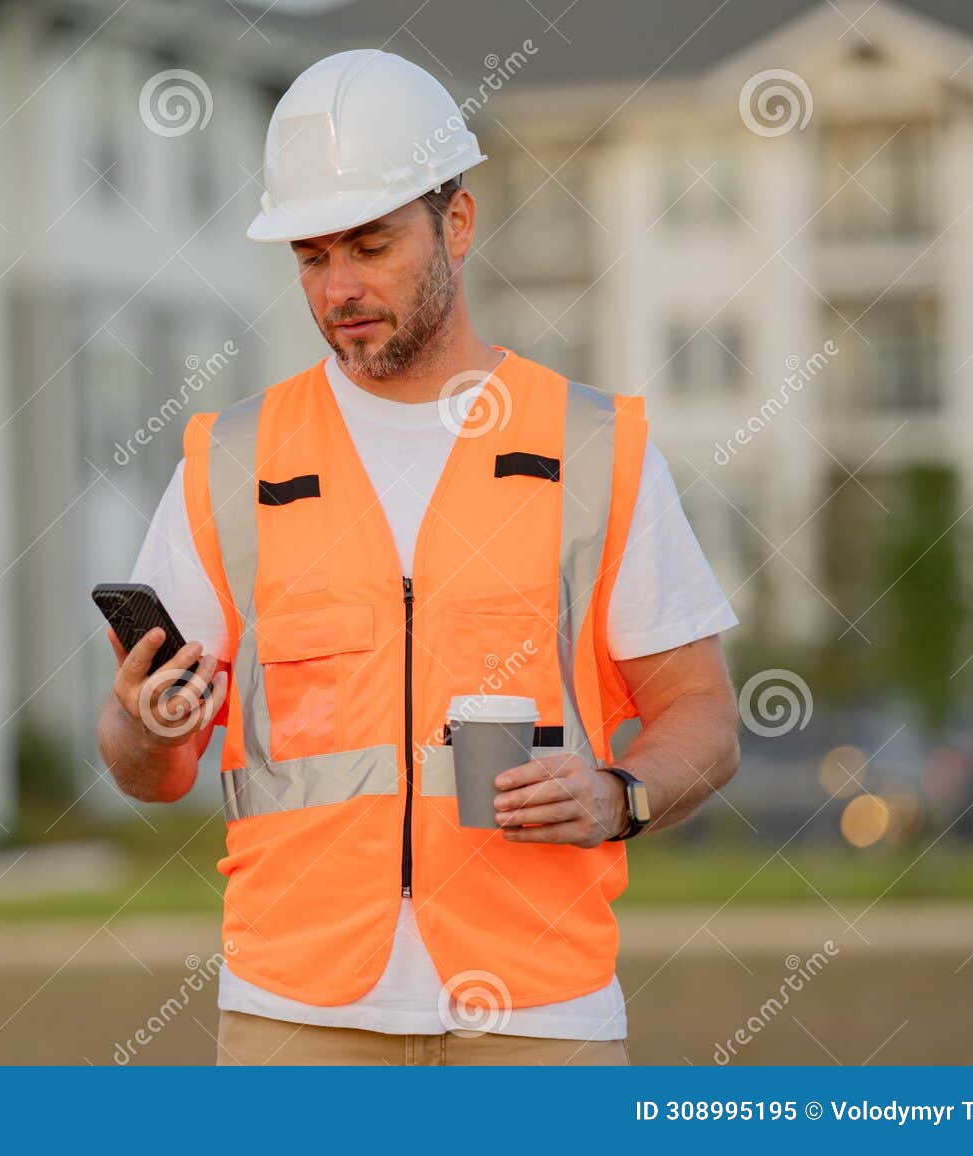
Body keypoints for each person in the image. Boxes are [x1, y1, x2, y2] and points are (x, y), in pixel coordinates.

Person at [98, 49, 741, 1066]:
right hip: (293, 1018)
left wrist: (621, 794)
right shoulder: (229, 464)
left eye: (370, 244)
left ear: (457, 223)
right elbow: (152, 764)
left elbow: (702, 715)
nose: (341, 286)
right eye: (312, 256)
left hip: (540, 1016)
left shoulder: (593, 450)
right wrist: (142, 725)